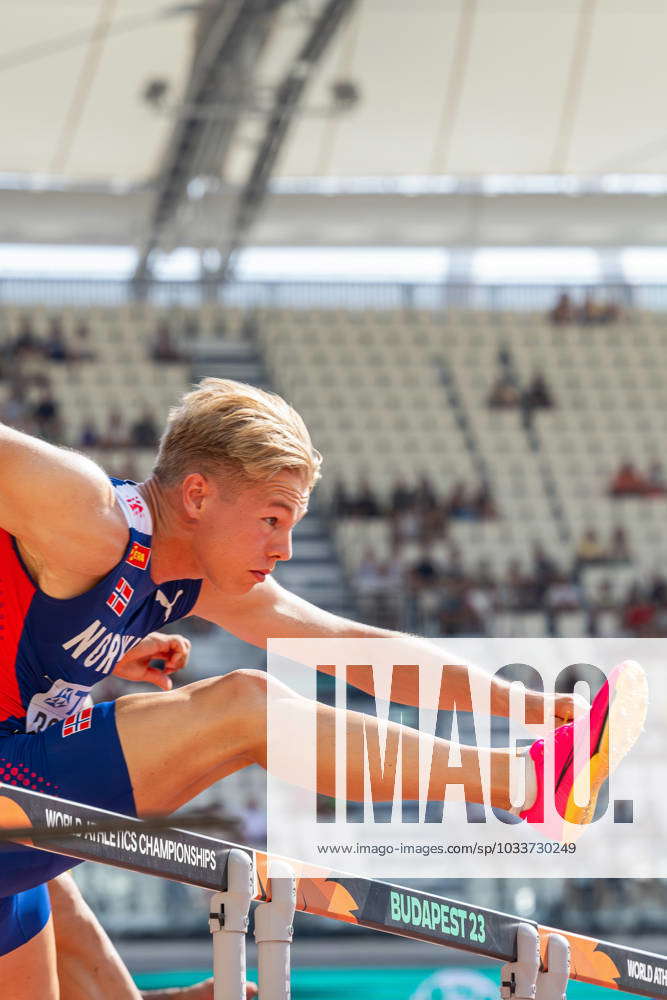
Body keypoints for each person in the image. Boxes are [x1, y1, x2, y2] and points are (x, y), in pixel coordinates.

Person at [0, 378, 645, 999]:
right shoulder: (83, 511)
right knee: (243, 707)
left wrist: (523, 703)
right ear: (197, 496)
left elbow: (353, 648)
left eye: (293, 525)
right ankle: (528, 787)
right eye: (272, 519)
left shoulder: (194, 578)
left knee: (62, 913)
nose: (282, 548)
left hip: (17, 809)